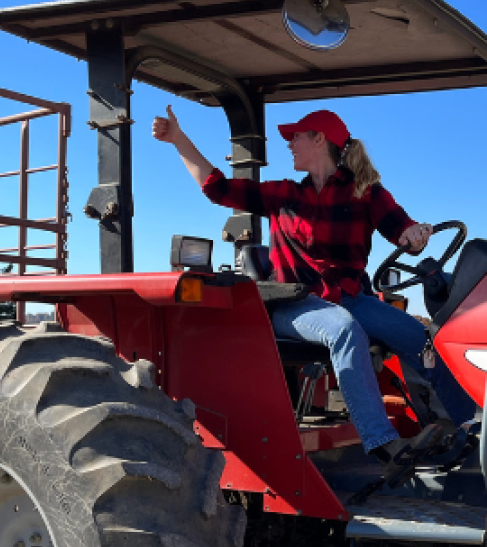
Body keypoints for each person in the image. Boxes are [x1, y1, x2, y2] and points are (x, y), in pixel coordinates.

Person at [152, 106, 476, 469]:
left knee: (423, 338)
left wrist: (416, 236)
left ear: (320, 140)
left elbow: (403, 230)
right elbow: (218, 188)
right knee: (343, 330)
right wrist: (178, 139)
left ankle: (472, 426)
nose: (289, 145)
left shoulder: (365, 193)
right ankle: (383, 443)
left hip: (350, 297)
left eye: (296, 137)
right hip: (294, 303)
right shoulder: (283, 195)